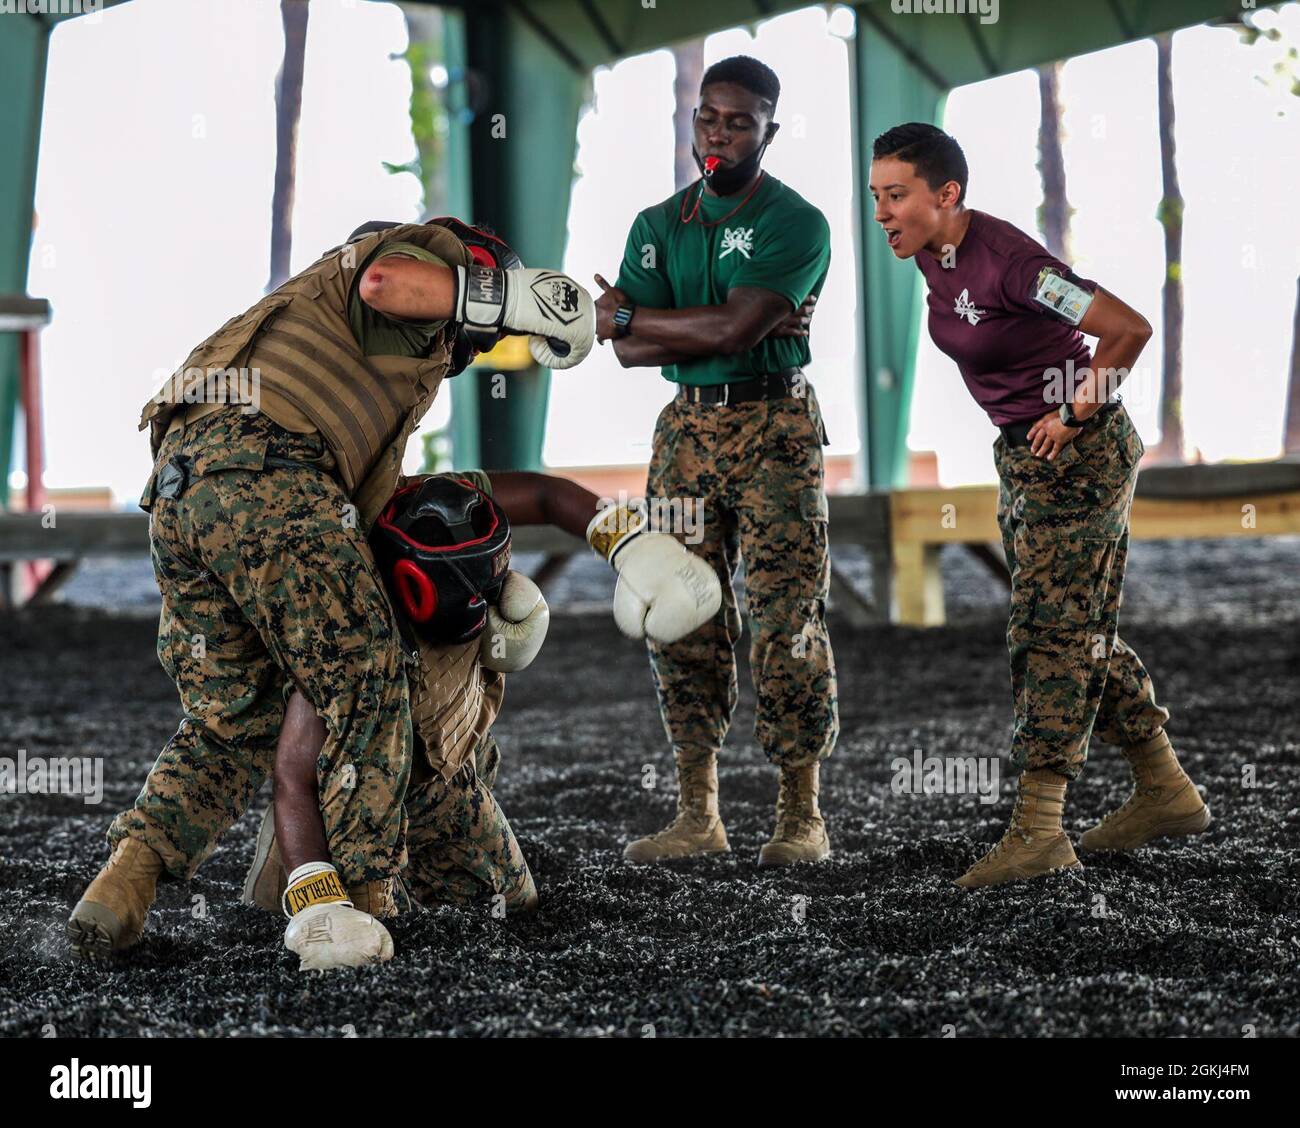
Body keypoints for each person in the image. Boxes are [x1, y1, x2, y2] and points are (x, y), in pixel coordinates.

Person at [67, 218, 596, 960]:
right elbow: (391, 285)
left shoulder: (347, 372)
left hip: (183, 494)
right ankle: (363, 903)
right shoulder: (404, 258)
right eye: (467, 340)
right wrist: (519, 298)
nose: (458, 356)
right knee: (366, 676)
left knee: (231, 719)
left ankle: (126, 881)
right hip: (264, 476)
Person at [869, 123, 1211, 889]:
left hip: (1077, 455)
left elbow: (1127, 330)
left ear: (947, 194)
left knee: (1048, 632)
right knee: (1073, 624)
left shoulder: (1016, 266)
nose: (884, 213)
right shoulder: (931, 252)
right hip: (1023, 459)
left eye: (897, 196)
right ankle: (1166, 790)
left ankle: (1040, 829)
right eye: (877, 198)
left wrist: (1073, 414)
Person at [241, 470, 722, 970]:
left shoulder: (443, 500)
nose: (487, 600)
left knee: (515, 907)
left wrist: (632, 544)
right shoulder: (345, 616)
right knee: (372, 944)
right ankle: (286, 875)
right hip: (354, 811)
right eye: (473, 591)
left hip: (446, 784)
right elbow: (293, 776)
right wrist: (317, 899)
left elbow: (546, 494)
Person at [593, 55, 837, 867]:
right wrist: (641, 324)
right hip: (684, 433)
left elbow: (733, 333)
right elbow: (624, 354)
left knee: (785, 618)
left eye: (739, 122)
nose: (720, 134)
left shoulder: (795, 222)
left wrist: (639, 316)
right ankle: (699, 813)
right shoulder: (657, 224)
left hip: (775, 427)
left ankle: (800, 815)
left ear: (770, 128)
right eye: (708, 117)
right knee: (680, 613)